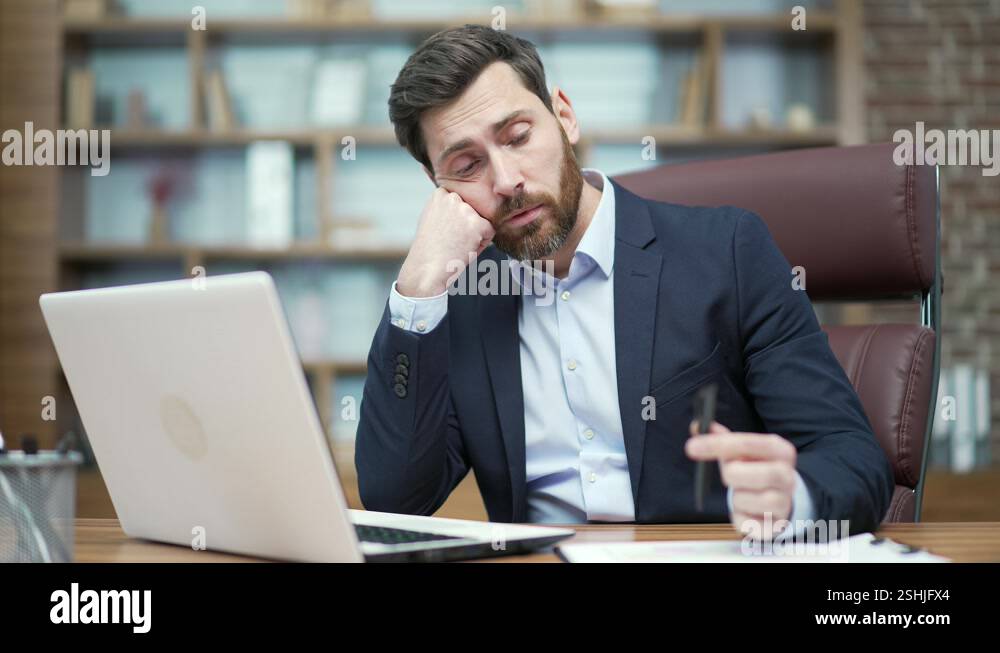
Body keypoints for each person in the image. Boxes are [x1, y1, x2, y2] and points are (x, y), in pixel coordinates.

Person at [355, 24, 894, 539]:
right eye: (467, 165)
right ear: (438, 186)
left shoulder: (727, 251)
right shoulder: (460, 301)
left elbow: (851, 457)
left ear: (563, 116)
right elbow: (395, 500)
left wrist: (792, 496)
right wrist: (419, 286)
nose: (507, 180)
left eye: (518, 136)